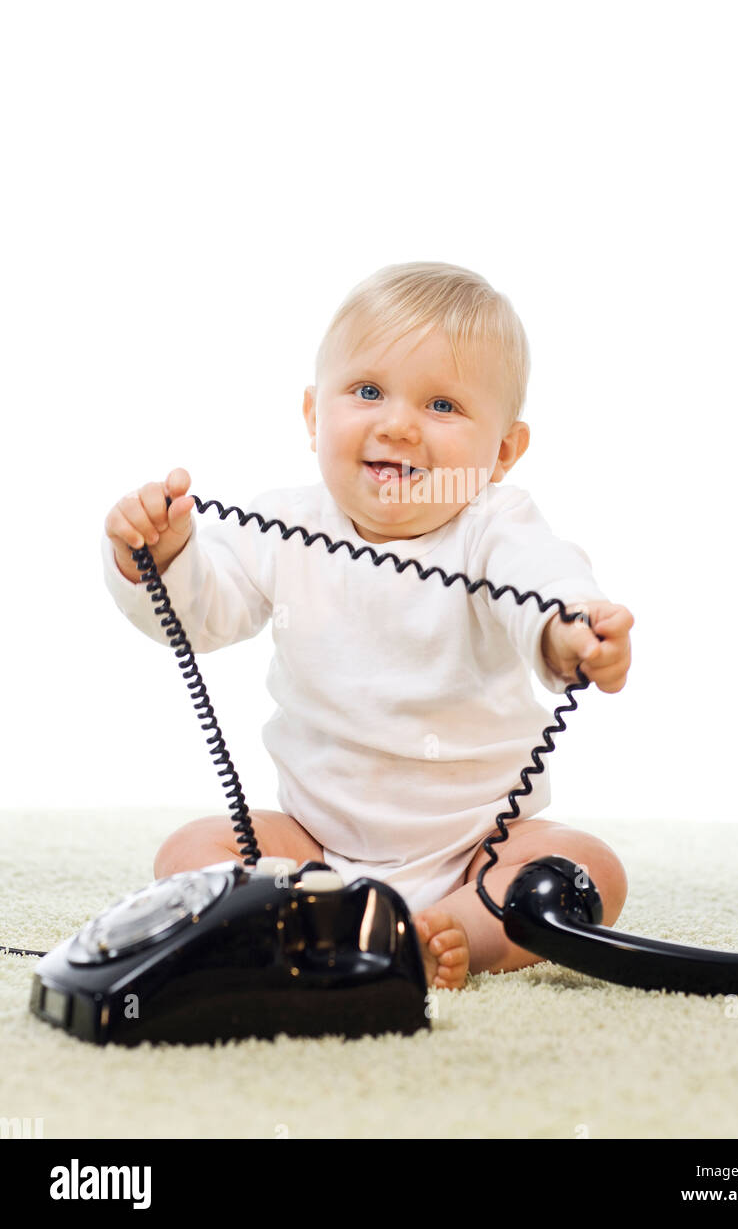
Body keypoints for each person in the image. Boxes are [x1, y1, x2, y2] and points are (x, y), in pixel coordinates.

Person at [102, 262, 634, 990]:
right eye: (367, 391)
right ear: (314, 415)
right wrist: (159, 559)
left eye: (443, 405)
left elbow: (539, 580)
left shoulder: (493, 529)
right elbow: (204, 612)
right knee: (192, 850)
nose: (398, 423)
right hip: (315, 847)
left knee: (585, 871)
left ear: (504, 452)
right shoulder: (287, 526)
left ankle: (453, 934)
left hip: (478, 845)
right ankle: (316, 917)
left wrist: (567, 632)